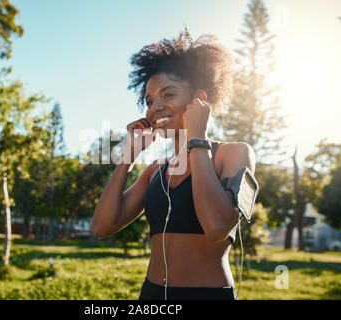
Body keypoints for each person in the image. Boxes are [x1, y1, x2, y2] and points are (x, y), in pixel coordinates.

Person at [91, 27, 256, 300]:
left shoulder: (234, 154)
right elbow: (101, 228)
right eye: (149, 100)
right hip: (151, 296)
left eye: (168, 95)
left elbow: (216, 227)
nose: (155, 106)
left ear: (199, 100)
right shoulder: (155, 171)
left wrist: (197, 138)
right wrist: (128, 158)